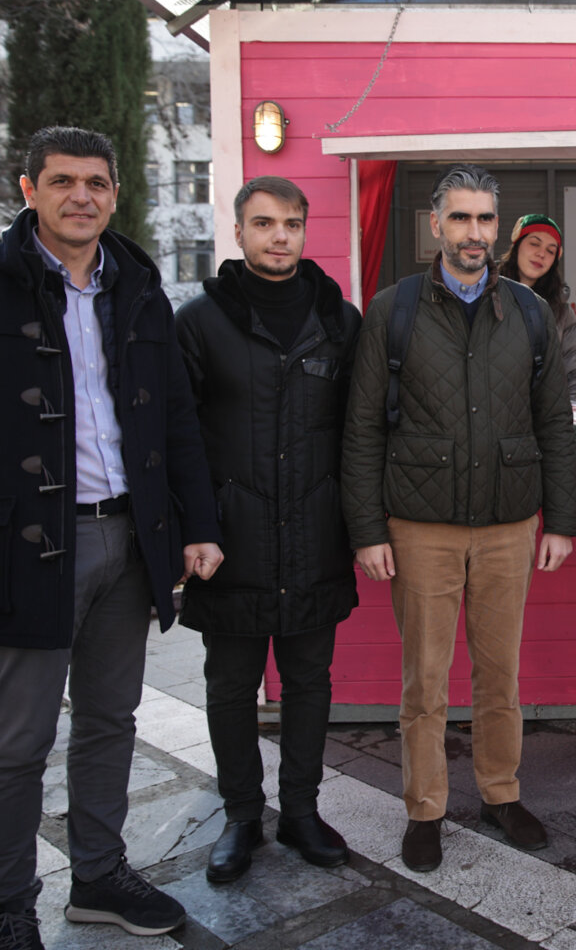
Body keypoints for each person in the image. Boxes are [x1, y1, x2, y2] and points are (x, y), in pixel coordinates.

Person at [0, 126, 223, 950]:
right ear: (27, 188)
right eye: (64, 180)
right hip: (23, 551)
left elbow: (176, 420)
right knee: (15, 741)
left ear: (115, 194)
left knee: (113, 721)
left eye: (98, 183)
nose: (83, 196)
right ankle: (6, 907)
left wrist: (195, 528)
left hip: (128, 542)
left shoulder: (139, 286)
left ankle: (99, 877)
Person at [340, 163, 576, 874]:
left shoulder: (532, 313)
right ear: (436, 225)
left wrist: (559, 519)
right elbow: (360, 430)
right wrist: (367, 530)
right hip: (420, 526)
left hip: (509, 523)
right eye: (461, 219)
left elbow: (555, 425)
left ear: (495, 229)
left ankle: (501, 794)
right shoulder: (394, 308)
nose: (474, 233)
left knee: (500, 673)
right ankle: (426, 807)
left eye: (484, 220)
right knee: (426, 679)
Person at [175, 176, 362, 884]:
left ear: (305, 229)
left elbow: (360, 428)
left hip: (316, 533)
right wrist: (195, 526)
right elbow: (180, 435)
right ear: (239, 231)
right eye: (263, 224)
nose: (278, 236)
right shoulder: (199, 321)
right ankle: (241, 816)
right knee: (230, 685)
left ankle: (302, 812)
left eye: (290, 223)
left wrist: (360, 521)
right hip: (231, 540)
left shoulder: (339, 321)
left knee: (310, 681)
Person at [495, 213, 576, 407]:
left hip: (539, 423)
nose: (542, 254)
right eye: (534, 243)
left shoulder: (560, 312)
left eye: (551, 251)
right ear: (517, 245)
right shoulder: (483, 293)